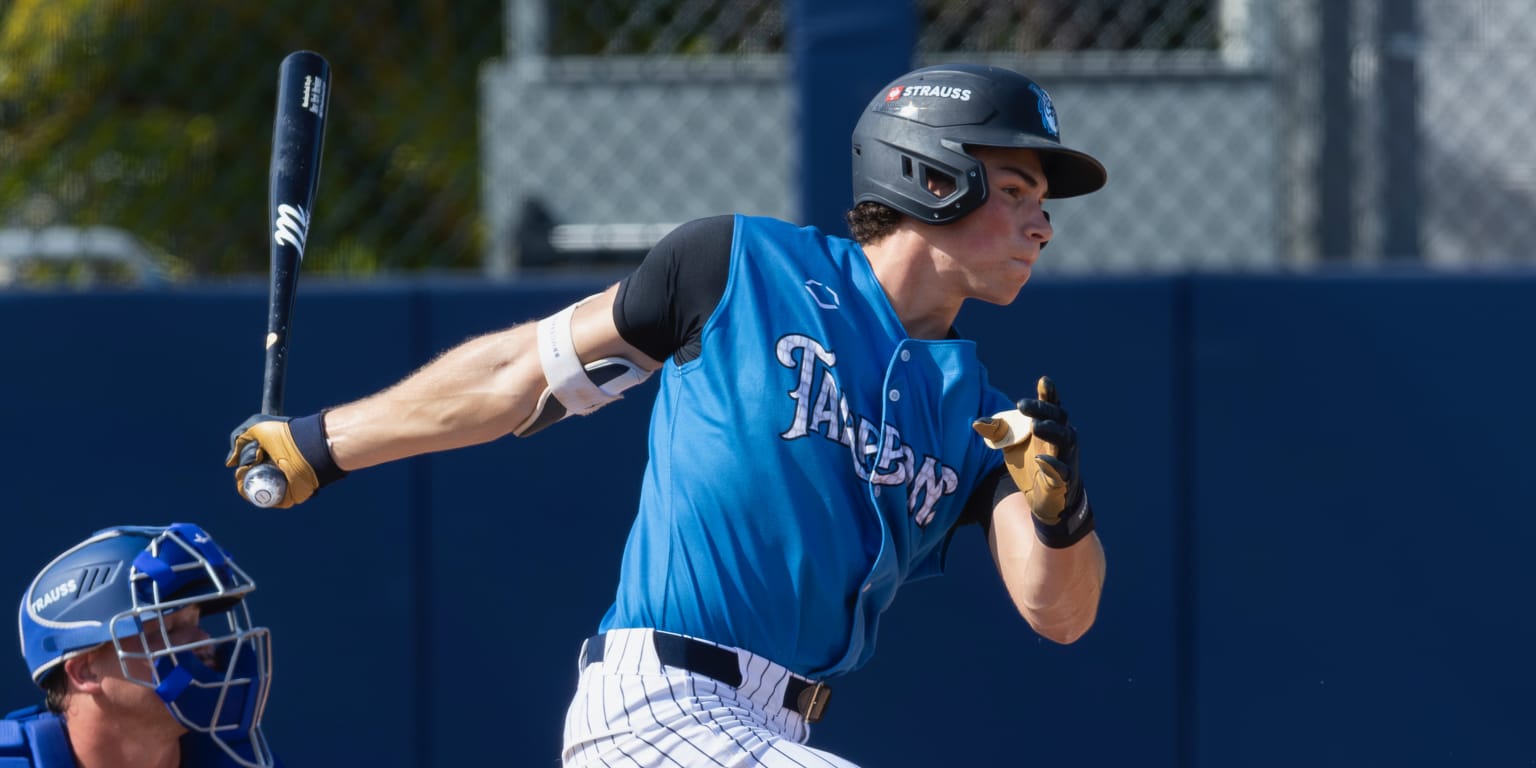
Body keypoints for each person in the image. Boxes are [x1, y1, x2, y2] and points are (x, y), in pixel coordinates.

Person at [227, 62, 1109, 766]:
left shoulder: (986, 417)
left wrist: (1060, 510)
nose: (1043, 225)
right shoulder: (739, 268)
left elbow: (1058, 612)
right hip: (655, 712)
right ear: (931, 173)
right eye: (1018, 188)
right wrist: (319, 444)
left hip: (776, 734)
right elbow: (518, 374)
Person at [5, 523, 277, 768]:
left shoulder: (241, 762)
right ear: (85, 672)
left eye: (196, 622)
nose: (205, 640)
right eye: (167, 629)